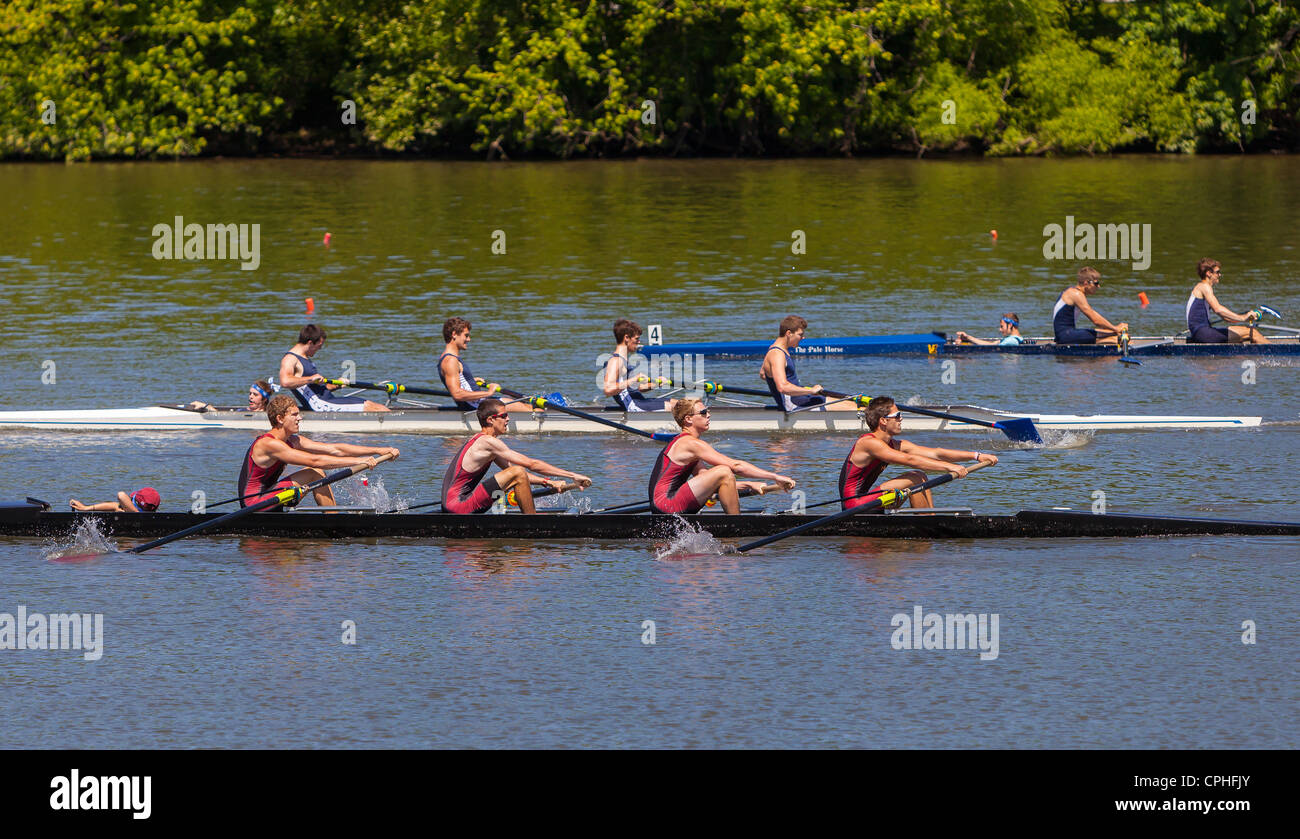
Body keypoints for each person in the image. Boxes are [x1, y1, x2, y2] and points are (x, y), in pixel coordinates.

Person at [238, 394, 399, 508]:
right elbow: (314, 460)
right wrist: (359, 461)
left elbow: (335, 449)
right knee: (314, 470)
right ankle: (333, 521)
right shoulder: (269, 444)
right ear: (280, 419)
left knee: (316, 471)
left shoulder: (293, 440)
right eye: (294, 415)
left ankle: (332, 515)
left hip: (271, 495)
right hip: (255, 503)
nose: (299, 418)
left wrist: (378, 449)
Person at [839, 397, 997, 511]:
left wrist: (976, 456)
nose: (901, 419)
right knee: (914, 478)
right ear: (883, 421)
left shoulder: (892, 444)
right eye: (897, 416)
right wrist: (950, 468)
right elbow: (909, 459)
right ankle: (926, 522)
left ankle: (931, 516)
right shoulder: (869, 443)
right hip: (854, 505)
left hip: (868, 500)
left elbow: (936, 453)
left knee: (919, 475)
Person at [442, 398, 592, 514]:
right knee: (518, 472)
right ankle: (531, 522)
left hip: (454, 505)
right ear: (490, 420)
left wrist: (547, 482)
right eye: (504, 415)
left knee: (516, 473)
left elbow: (517, 475)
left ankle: (528, 516)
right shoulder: (487, 442)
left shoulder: (485, 444)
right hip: (459, 506)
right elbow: (531, 465)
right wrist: (572, 475)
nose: (508, 419)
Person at [648, 398, 796, 515]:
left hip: (663, 505)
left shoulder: (689, 445)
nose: (709, 415)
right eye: (704, 412)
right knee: (724, 470)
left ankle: (733, 523)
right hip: (667, 505)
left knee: (722, 473)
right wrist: (775, 477)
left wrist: (750, 484)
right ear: (688, 419)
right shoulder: (690, 443)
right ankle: (736, 526)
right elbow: (735, 466)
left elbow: (708, 481)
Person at [279, 324, 390, 412]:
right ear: (310, 343)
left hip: (329, 400)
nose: (320, 349)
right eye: (319, 346)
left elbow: (318, 389)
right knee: (376, 409)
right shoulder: (290, 359)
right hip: (321, 406)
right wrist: (310, 378)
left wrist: (337, 384)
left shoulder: (305, 358)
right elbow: (285, 381)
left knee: (373, 405)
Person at [760, 316, 858, 411]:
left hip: (799, 399)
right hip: (794, 406)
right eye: (800, 334)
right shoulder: (777, 354)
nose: (803, 337)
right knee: (855, 408)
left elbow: (763, 374)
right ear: (789, 333)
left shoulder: (774, 349)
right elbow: (782, 387)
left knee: (852, 404)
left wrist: (796, 388)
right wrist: (810, 391)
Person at [438, 317, 536, 413]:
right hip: (477, 406)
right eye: (466, 335)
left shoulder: (449, 359)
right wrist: (489, 392)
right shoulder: (450, 361)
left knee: (527, 405)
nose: (469, 339)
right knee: (531, 410)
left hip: (479, 402)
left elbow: (457, 381)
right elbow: (457, 394)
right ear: (454, 334)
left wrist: (471, 381)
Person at [1186, 259, 1270, 344]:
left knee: (1242, 335)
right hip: (1203, 333)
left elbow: (1226, 318)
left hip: (1200, 334)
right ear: (1208, 273)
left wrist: (1246, 318)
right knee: (1251, 332)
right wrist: (1243, 317)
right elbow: (1218, 309)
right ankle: (1276, 352)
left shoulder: (1201, 288)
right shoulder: (1204, 287)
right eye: (1217, 272)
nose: (1220, 274)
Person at [603, 319, 678, 413]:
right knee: (680, 408)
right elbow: (608, 389)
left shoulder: (624, 360)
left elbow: (640, 388)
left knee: (682, 404)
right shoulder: (615, 361)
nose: (639, 342)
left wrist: (656, 383)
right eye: (636, 339)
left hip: (640, 401)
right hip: (633, 406)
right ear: (626, 338)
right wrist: (634, 379)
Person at [1052, 267, 1128, 345]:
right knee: (1115, 338)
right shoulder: (1076, 294)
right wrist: (1116, 328)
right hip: (1066, 336)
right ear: (1086, 283)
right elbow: (1095, 320)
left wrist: (1115, 330)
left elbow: (1093, 313)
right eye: (1096, 283)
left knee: (1114, 333)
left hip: (1069, 333)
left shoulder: (1073, 291)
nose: (1098, 286)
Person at [187, 380, 276, 413]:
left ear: (264, 400)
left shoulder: (266, 415)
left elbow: (220, 417)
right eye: (250, 393)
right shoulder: (243, 410)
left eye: (255, 394)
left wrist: (207, 406)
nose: (250, 397)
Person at [70, 487, 160, 512]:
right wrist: (86, 508)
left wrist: (136, 513)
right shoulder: (124, 510)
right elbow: (114, 505)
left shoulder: (128, 511)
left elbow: (121, 495)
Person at [955, 314, 1026, 345]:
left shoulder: (1010, 341)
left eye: (1002, 327)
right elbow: (990, 344)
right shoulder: (1011, 339)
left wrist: (964, 344)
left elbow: (989, 348)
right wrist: (968, 338)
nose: (1000, 330)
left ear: (1010, 325)